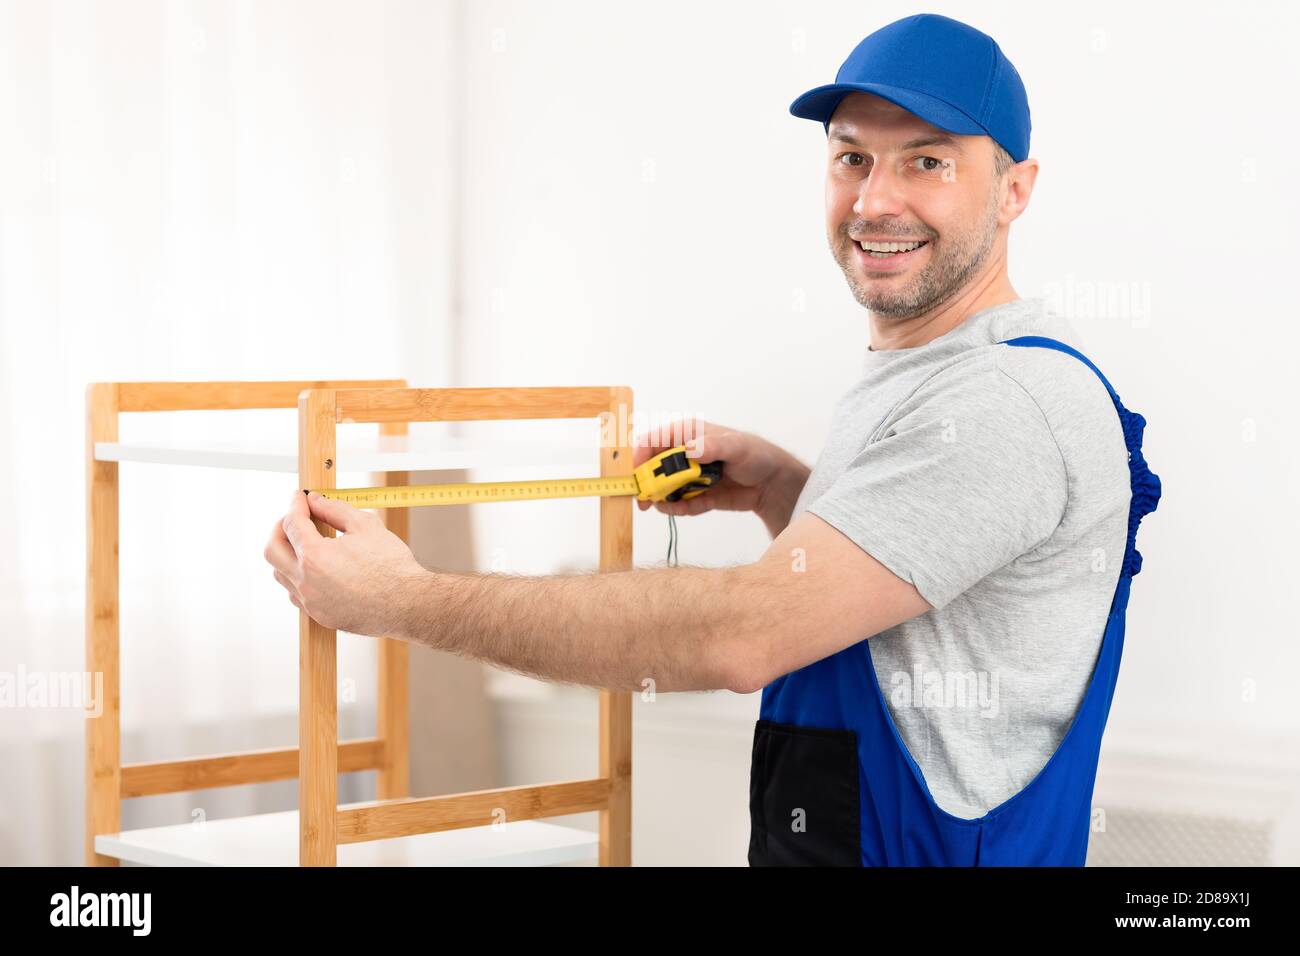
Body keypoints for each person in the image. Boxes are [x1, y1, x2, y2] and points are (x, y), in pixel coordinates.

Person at [264, 13, 1160, 866]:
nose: (875, 199)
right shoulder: (928, 378)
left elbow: (740, 637)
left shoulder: (1006, 399)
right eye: (852, 157)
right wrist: (784, 492)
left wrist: (402, 601)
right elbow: (911, 614)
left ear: (1015, 191)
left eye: (927, 161)